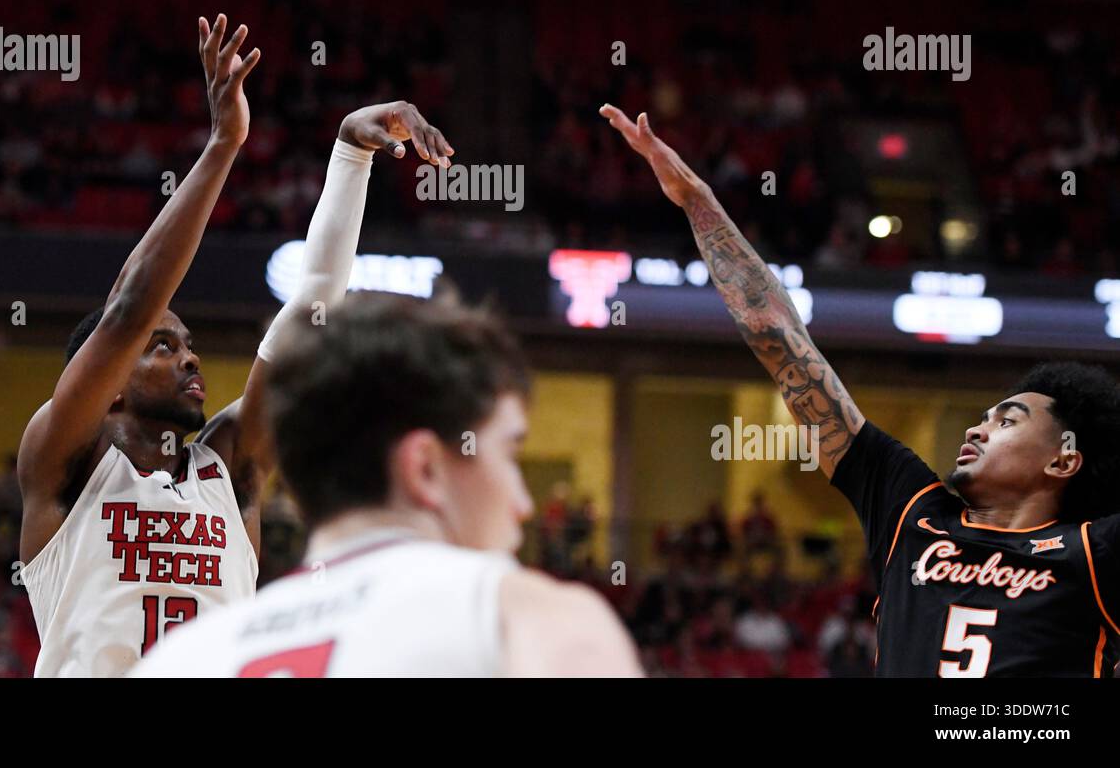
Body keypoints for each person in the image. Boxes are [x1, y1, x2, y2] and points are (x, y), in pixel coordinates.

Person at [601, 102, 1120, 677]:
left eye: (1008, 421)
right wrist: (699, 202)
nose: (977, 427)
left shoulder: (1095, 553)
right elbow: (780, 337)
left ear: (1065, 458)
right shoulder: (913, 512)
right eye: (985, 415)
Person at [19, 14, 453, 677]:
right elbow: (128, 308)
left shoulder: (232, 468)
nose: (189, 358)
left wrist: (349, 156)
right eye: (161, 347)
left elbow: (310, 308)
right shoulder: (66, 464)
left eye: (187, 344)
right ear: (104, 385)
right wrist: (224, 142)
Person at [131, 293, 642, 677]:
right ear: (423, 467)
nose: (523, 504)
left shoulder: (181, 661)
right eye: (508, 454)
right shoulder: (527, 619)